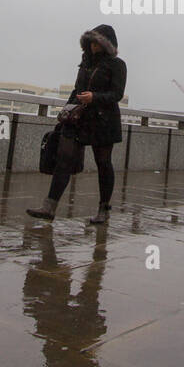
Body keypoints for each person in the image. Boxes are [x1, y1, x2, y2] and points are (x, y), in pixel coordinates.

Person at [27, 25, 127, 224]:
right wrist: (66, 111)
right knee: (64, 158)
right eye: (91, 41)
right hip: (79, 119)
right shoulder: (85, 63)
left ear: (106, 44)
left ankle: (103, 209)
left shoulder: (117, 64)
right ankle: (49, 206)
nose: (93, 45)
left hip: (104, 120)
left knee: (103, 163)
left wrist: (94, 97)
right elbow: (76, 90)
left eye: (97, 42)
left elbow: (117, 94)